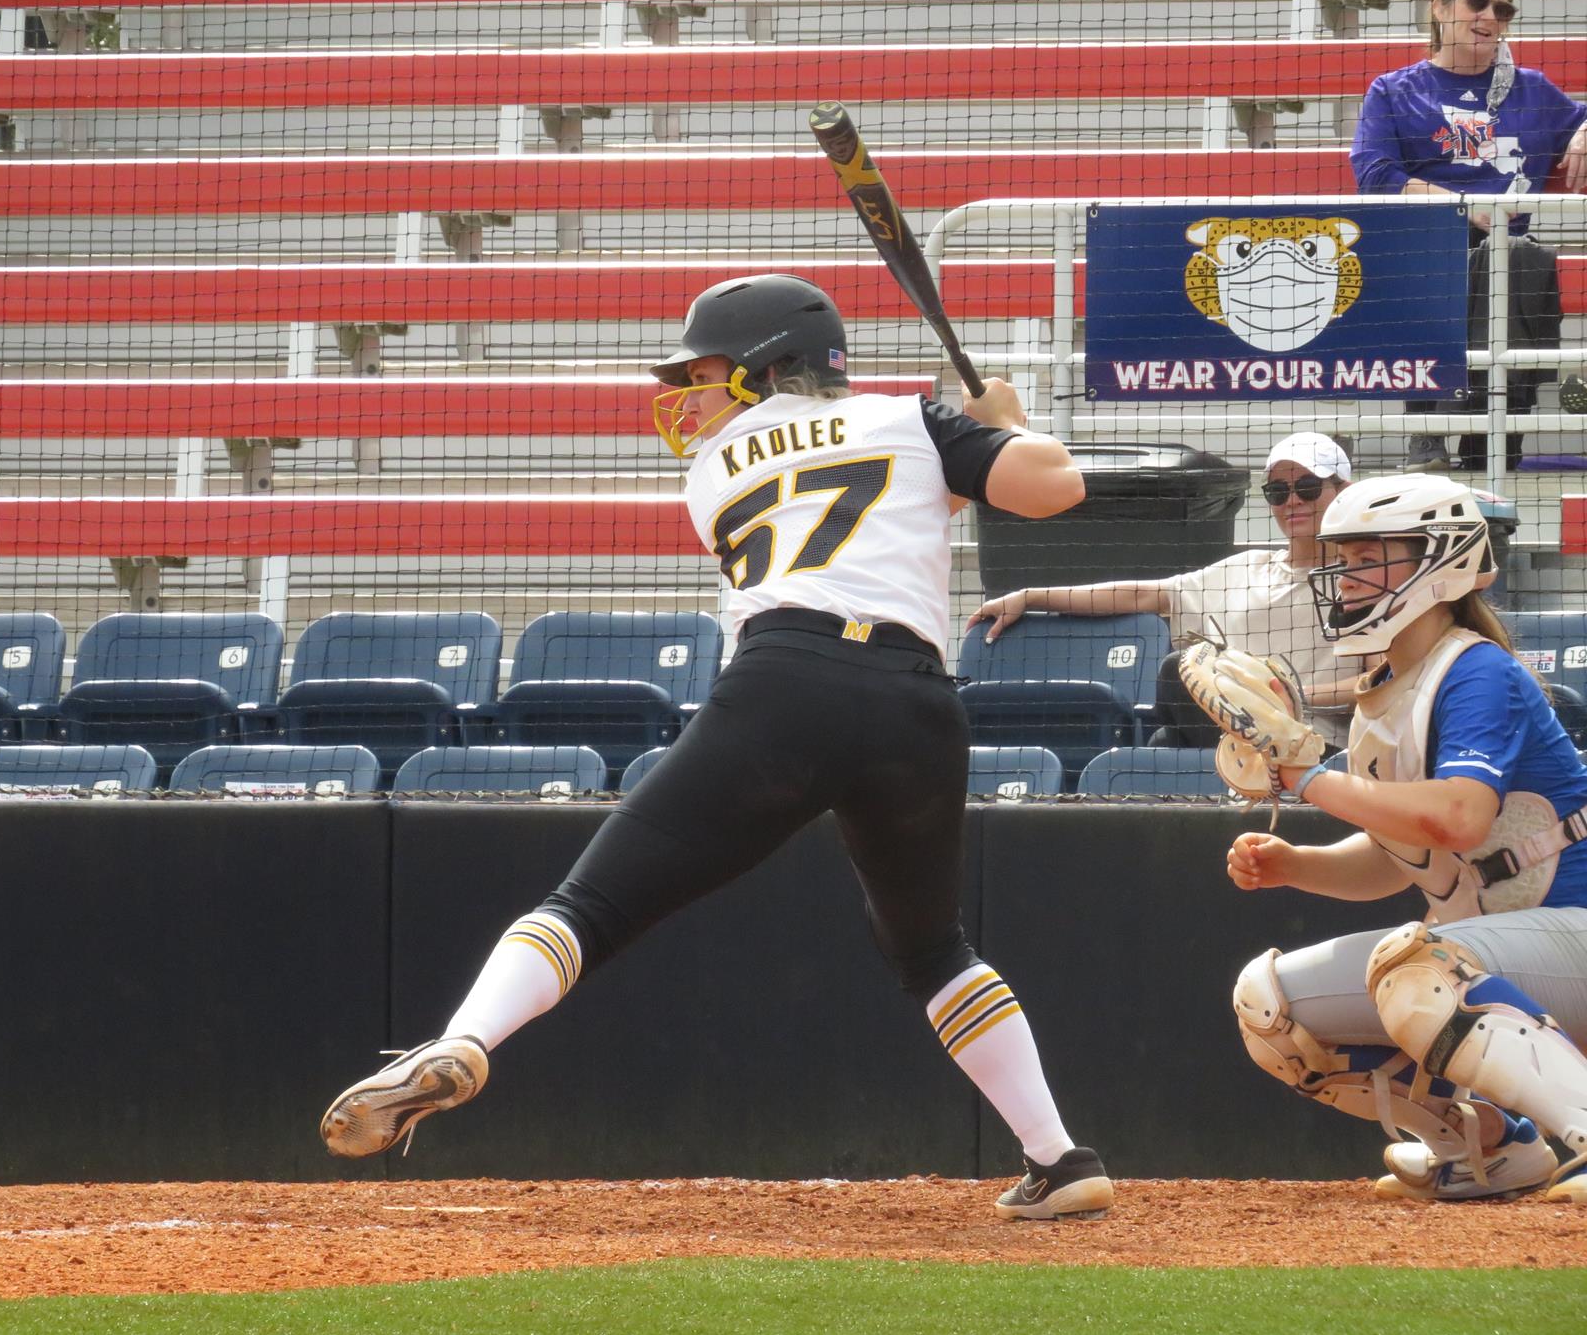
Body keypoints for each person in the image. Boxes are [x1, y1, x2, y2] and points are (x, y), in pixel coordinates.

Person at [318, 273, 1116, 1220]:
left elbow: (835, 508)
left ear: (761, 365)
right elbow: (1053, 488)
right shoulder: (910, 417)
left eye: (703, 371)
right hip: (914, 705)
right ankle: (1061, 1159)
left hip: (784, 684)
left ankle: (462, 1042)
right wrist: (1009, 424)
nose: (688, 395)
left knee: (591, 903)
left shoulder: (713, 469)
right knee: (932, 946)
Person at [1225, 473, 1586, 1203]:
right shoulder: (1386, 689)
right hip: (1497, 950)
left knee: (1417, 963)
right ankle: (1490, 1146)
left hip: (1573, 935)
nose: (1346, 575)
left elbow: (1459, 818)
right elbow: (1405, 861)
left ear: (1439, 561)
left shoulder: (1477, 669)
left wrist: (1307, 778)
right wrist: (1298, 865)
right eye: (1344, 557)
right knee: (1269, 1003)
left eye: (1368, 556)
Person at [1350, 0, 1587, 473]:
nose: (1490, 17)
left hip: (1507, 255)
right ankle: (1437, 425)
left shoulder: (1532, 89)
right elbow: (1375, 173)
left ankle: (1486, 430)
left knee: (1520, 256)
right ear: (1439, 8)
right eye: (1477, 1)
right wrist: (1463, 205)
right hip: (1429, 246)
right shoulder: (1394, 90)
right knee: (1452, 250)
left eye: (1503, 9)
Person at [966, 431, 1358, 745]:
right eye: (1277, 491)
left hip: (1313, 744)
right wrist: (1031, 595)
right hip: (1230, 741)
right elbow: (1141, 594)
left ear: (1343, 490)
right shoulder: (1243, 570)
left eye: (1307, 487)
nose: (1292, 501)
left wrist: (1287, 696)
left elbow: (1377, 681)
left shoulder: (1368, 578)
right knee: (1173, 692)